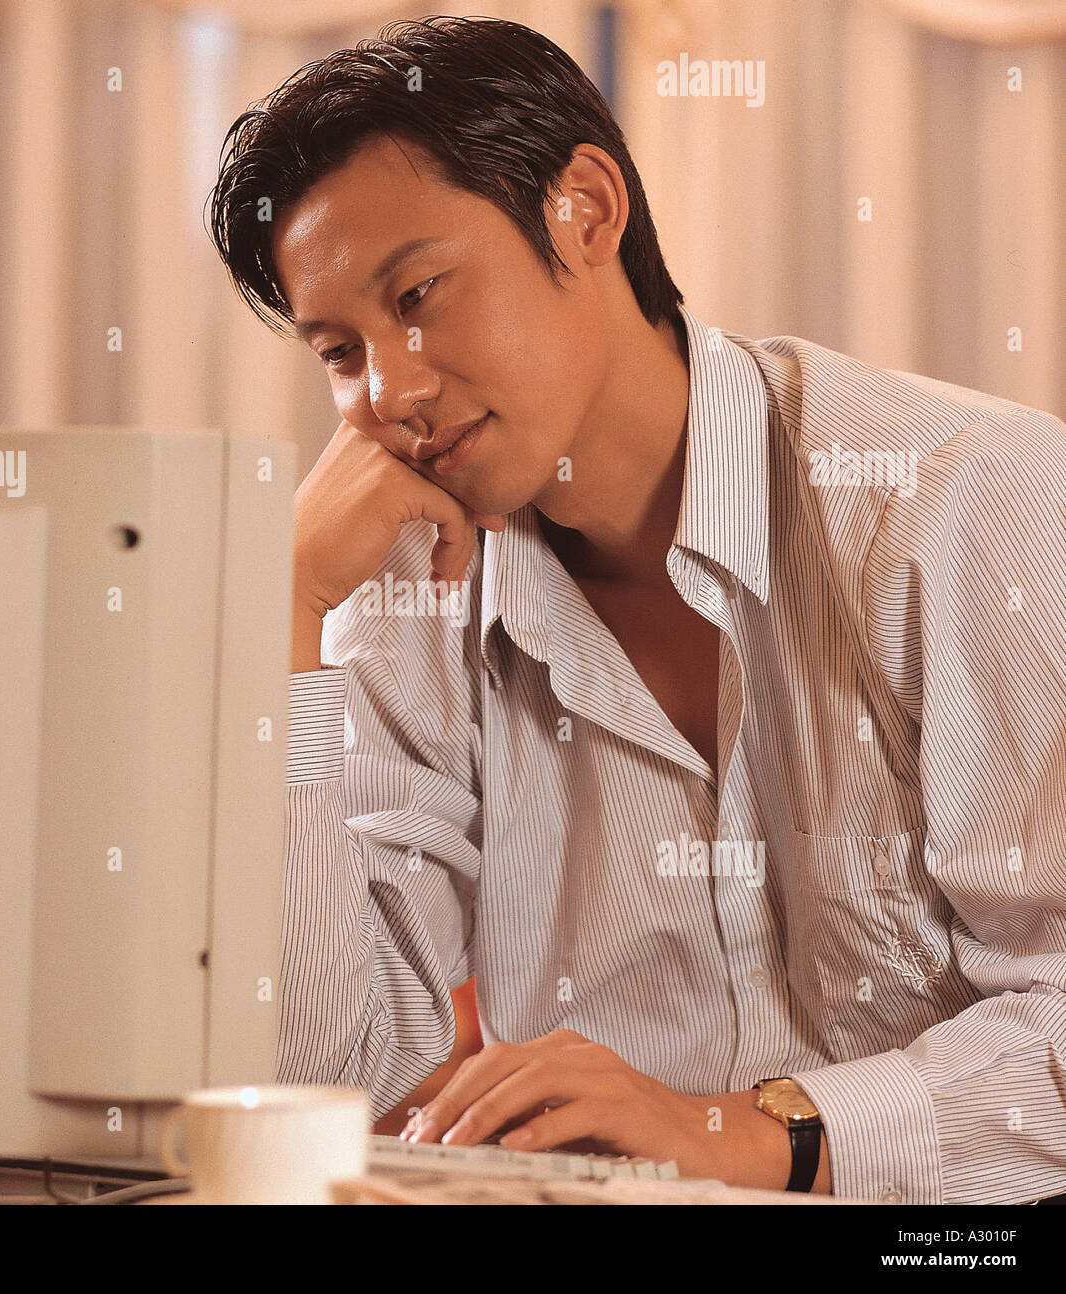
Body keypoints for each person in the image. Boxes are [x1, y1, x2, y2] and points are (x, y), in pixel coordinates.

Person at [207, 15, 1066, 1202]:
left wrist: (765, 1133)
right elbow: (321, 1067)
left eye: (418, 294)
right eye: (340, 351)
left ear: (587, 210)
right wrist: (279, 611)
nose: (390, 390)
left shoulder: (971, 501)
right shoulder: (404, 582)